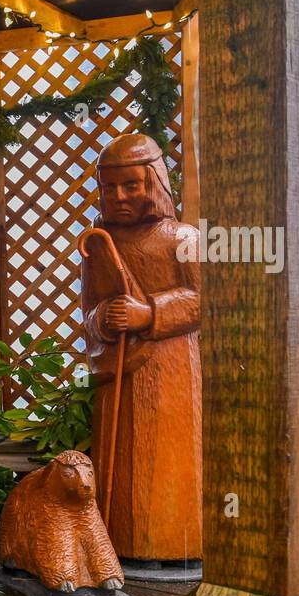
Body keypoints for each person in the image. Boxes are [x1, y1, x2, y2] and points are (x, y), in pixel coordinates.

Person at [80, 133, 202, 562]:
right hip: (119, 372)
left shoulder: (181, 237)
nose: (119, 196)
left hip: (171, 374)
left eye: (131, 185)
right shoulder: (98, 244)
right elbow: (89, 310)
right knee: (121, 462)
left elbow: (204, 301)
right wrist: (104, 320)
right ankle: (116, 545)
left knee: (166, 460)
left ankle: (174, 542)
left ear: (154, 183)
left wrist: (148, 312)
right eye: (109, 187)